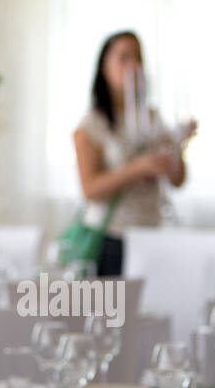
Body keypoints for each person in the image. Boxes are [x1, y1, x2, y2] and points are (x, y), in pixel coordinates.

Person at [72, 31, 195, 278]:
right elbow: (89, 190)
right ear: (104, 67)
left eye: (138, 58)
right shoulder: (92, 125)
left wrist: (178, 145)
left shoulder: (152, 118)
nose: (133, 66)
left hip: (151, 232)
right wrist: (137, 169)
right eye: (123, 58)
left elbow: (178, 179)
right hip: (113, 238)